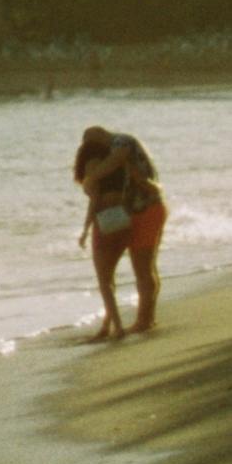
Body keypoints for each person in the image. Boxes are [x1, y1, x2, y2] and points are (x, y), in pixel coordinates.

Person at [73, 123, 166, 339]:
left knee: (137, 271)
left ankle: (141, 321)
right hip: (134, 212)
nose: (90, 146)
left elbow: (113, 167)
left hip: (146, 208)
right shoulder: (116, 159)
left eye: (89, 142)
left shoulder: (121, 143)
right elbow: (128, 173)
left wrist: (90, 178)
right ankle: (142, 319)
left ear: (98, 133)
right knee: (143, 268)